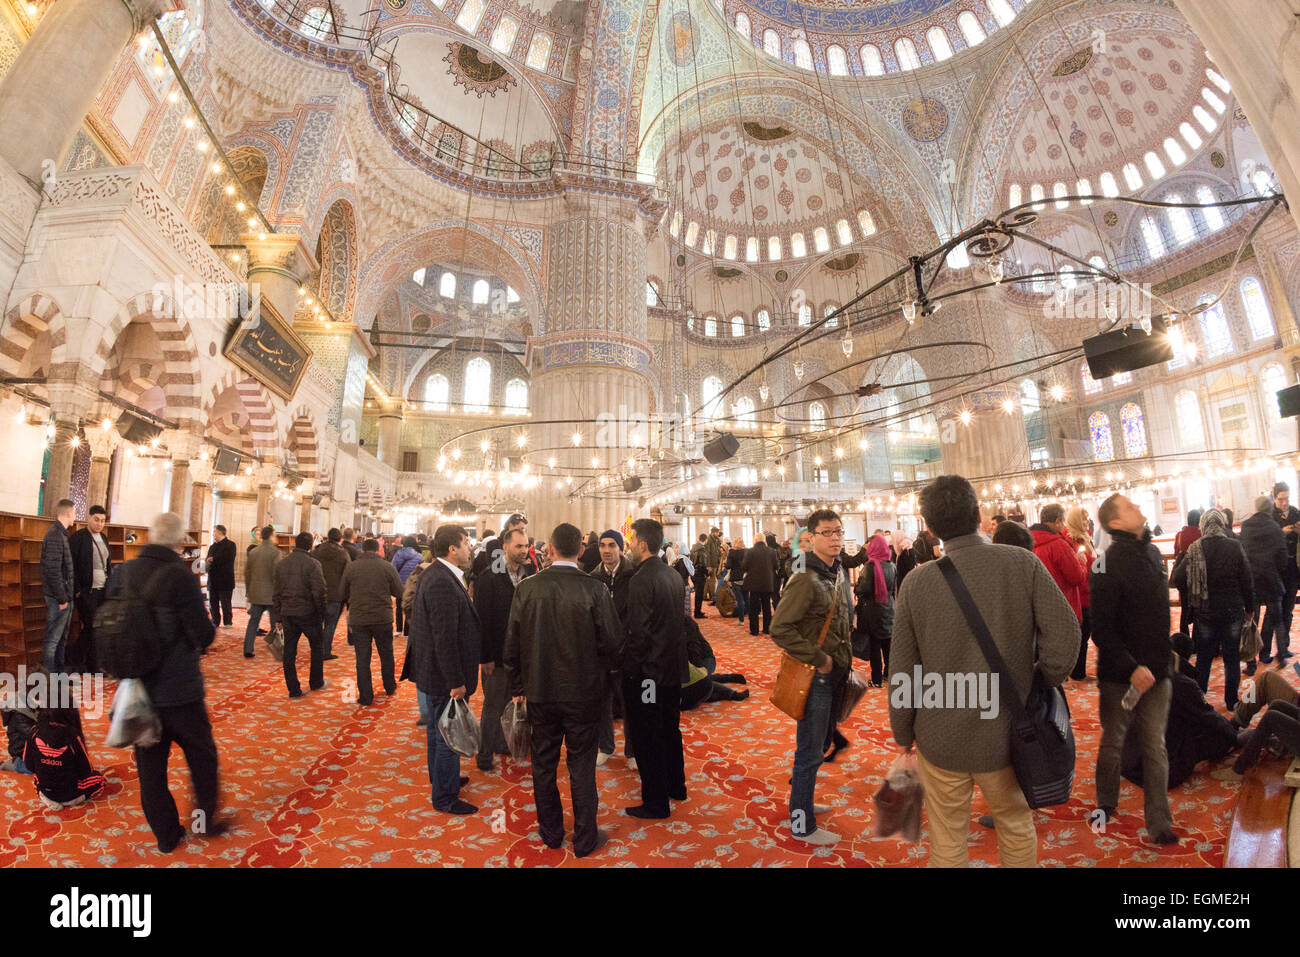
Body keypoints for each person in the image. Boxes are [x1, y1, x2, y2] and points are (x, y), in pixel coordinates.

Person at [889, 477, 1078, 867]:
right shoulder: (1021, 563)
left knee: (947, 838)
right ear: (979, 516)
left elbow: (903, 670)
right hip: (1009, 732)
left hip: (940, 736)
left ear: (930, 528)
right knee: (1015, 825)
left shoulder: (916, 582)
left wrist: (902, 730)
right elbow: (1065, 637)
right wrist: (1039, 680)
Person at [105, 512, 225, 853]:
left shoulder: (123, 573)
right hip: (180, 690)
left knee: (150, 770)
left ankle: (167, 836)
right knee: (202, 758)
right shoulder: (179, 576)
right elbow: (202, 633)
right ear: (177, 541)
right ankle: (204, 822)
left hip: (138, 691)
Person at [504, 522, 622, 856]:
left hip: (540, 692)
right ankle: (585, 838)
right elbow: (614, 645)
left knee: (543, 764)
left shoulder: (526, 589)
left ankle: (551, 832)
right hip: (584, 694)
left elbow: (511, 646)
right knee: (582, 766)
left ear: (550, 550)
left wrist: (518, 687)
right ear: (582, 550)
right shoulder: (596, 590)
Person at [1091, 493, 1178, 845]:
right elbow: (1102, 629)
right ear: (1114, 523)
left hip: (1157, 673)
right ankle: (1105, 804)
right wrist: (1131, 668)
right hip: (1120, 679)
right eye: (1129, 508)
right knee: (1114, 742)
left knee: (1155, 745)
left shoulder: (1153, 554)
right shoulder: (1104, 564)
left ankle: (1159, 823)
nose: (1139, 509)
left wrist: (1165, 656)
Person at [769, 509, 852, 846]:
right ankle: (801, 823)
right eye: (827, 533)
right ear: (812, 537)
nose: (835, 538)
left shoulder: (837, 571)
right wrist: (820, 660)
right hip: (816, 676)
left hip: (835, 674)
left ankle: (802, 802)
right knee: (809, 752)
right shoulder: (805, 578)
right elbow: (779, 628)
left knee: (818, 746)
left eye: (838, 531)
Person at [407, 524, 482, 814]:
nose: (469, 549)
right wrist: (456, 680)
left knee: (438, 733)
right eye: (465, 543)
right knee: (447, 735)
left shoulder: (441, 574)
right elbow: (444, 636)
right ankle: (445, 797)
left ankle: (443, 779)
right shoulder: (440, 580)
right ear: (452, 548)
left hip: (434, 671)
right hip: (442, 675)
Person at [622, 518, 687, 819]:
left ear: (643, 544)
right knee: (670, 730)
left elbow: (639, 634)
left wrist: (631, 672)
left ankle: (656, 802)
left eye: (631, 541)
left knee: (648, 738)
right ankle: (676, 786)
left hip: (649, 675)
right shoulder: (673, 575)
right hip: (673, 669)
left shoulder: (640, 579)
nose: (630, 546)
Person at [1169, 509, 1253, 711]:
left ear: (1203, 526)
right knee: (1232, 657)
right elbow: (1247, 580)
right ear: (1222, 525)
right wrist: (1250, 609)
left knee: (1204, 657)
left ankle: (1200, 697)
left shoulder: (1195, 548)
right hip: (1232, 611)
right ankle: (1232, 701)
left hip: (1205, 613)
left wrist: (1195, 581)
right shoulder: (1234, 546)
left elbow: (1176, 580)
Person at [473, 526, 533, 772]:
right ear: (505, 547)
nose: (523, 550)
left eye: (525, 545)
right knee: (493, 706)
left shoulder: (530, 573)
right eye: (518, 546)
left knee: (516, 702)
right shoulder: (489, 577)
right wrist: (485, 656)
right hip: (496, 655)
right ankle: (484, 754)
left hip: (522, 654)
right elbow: (482, 620)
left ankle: (504, 743)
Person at [339, 537, 403, 706]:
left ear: (362, 550)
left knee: (362, 658)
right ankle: (389, 686)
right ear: (378, 550)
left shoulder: (352, 567)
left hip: (359, 618)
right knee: (386, 654)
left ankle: (366, 696)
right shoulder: (387, 567)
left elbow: (342, 592)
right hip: (382, 618)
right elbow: (399, 591)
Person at [591, 529, 634, 768]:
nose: (606, 550)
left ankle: (632, 751)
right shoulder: (592, 578)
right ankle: (605, 746)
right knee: (601, 704)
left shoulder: (633, 575)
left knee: (630, 704)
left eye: (611, 545)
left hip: (626, 652)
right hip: (600, 653)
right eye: (602, 545)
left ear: (621, 547)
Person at [273, 532, 328, 699]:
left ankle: (293, 689)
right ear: (310, 545)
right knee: (317, 647)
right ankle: (316, 681)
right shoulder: (313, 564)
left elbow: (276, 592)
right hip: (308, 612)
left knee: (289, 652)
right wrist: (322, 612)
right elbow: (319, 591)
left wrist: (277, 616)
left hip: (288, 612)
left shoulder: (282, 563)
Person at [1239, 494, 1288, 678]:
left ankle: (1251, 663)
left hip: (1252, 582)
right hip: (1271, 580)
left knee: (1251, 622)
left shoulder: (1246, 526)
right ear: (1269, 509)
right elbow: (1283, 558)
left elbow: (1241, 554)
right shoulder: (1275, 527)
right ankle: (1281, 656)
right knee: (1278, 621)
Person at [22, 706, 105, 810]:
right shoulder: (73, 736)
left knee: (36, 779)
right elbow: (86, 771)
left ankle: (48, 799)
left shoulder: (34, 732)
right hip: (71, 793)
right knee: (99, 779)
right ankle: (70, 801)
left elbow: (29, 765)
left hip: (46, 791)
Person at [68, 505, 112, 673]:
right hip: (87, 592)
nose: (100, 524)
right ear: (89, 518)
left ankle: (93, 665)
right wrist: (78, 591)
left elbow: (107, 565)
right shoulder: (78, 538)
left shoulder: (104, 538)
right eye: (96, 520)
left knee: (98, 628)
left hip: (102, 591)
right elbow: (70, 566)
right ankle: (76, 660)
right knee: (92, 626)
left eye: (102, 521)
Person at [1030, 504, 1088, 630]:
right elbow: (1076, 577)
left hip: (1044, 607)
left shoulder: (1030, 542)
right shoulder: (1058, 545)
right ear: (1057, 521)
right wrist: (1082, 562)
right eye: (1063, 521)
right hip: (1065, 606)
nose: (1064, 526)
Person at [853, 534, 896, 688]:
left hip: (872, 612)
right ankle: (888, 675)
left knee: (874, 647)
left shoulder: (869, 567)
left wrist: (857, 587)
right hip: (889, 609)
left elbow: (862, 589)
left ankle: (876, 679)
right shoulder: (891, 565)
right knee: (888, 646)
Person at [40, 499, 75, 673]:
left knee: (61, 639)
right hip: (58, 598)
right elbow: (53, 571)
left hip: (64, 597)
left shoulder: (61, 534)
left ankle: (60, 678)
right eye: (74, 513)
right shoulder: (55, 535)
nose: (75, 517)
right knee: (52, 641)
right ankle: (49, 682)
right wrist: (62, 599)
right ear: (69, 513)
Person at [1064, 507, 1097, 680]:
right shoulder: (1072, 540)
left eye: (1087, 519)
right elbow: (1079, 568)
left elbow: (1093, 561)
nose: (1086, 522)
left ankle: (1078, 672)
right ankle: (1076, 673)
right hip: (1082, 593)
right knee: (1082, 634)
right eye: (1083, 519)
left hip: (1089, 590)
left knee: (1085, 633)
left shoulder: (1085, 538)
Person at [1270, 482, 1300, 665]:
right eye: (1281, 499)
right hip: (1276, 569)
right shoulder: (1270, 517)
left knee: (1288, 609)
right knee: (1275, 611)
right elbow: (1268, 540)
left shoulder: (1296, 512)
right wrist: (1281, 532)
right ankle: (1273, 649)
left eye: (1287, 498)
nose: (1285, 503)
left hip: (1293, 568)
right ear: (1274, 498)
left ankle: (1284, 646)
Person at [311, 528, 351, 661]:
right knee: (330, 624)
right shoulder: (343, 554)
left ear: (328, 537)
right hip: (335, 594)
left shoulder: (317, 550)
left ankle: (316, 650)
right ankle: (325, 652)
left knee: (317, 623)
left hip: (317, 592)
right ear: (340, 539)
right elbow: (347, 575)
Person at [243, 526, 282, 659]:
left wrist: (249, 590)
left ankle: (248, 649)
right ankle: (276, 650)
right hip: (271, 594)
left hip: (256, 593)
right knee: (274, 624)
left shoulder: (254, 552)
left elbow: (247, 573)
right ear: (271, 536)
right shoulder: (275, 552)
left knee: (253, 622)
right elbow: (276, 574)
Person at [470, 513, 529, 583]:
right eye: (521, 528)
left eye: (524, 529)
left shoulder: (524, 546)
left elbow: (529, 568)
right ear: (510, 526)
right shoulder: (494, 544)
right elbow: (497, 570)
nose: (522, 532)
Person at [743, 534, 779, 636]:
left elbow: (744, 566)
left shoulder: (750, 551)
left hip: (754, 583)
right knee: (766, 606)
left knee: (753, 607)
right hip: (767, 583)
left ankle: (754, 630)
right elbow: (776, 566)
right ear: (764, 541)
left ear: (755, 540)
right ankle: (767, 629)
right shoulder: (771, 551)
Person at [204, 524, 236, 629]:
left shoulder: (231, 545)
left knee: (225, 603)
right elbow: (208, 559)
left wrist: (213, 559)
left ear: (219, 532)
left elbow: (228, 559)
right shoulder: (212, 546)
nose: (213, 534)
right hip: (213, 580)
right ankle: (215, 622)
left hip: (225, 580)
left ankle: (228, 622)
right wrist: (207, 563)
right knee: (213, 604)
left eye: (214, 532)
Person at [391, 536, 423, 634]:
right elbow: (421, 570)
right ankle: (407, 631)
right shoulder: (418, 556)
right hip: (413, 584)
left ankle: (399, 629)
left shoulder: (398, 554)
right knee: (410, 606)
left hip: (400, 583)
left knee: (399, 606)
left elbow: (393, 568)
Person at [726, 540, 748, 624]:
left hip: (735, 578)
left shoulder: (732, 552)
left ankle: (741, 620)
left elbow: (728, 566)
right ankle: (749, 615)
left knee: (740, 600)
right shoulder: (747, 552)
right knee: (746, 598)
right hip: (745, 577)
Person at [690, 534, 709, 618]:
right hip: (700, 574)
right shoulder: (702, 550)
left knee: (697, 593)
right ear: (706, 540)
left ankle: (697, 611)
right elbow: (702, 564)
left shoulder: (693, 548)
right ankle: (697, 612)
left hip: (693, 573)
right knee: (699, 594)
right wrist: (707, 574)